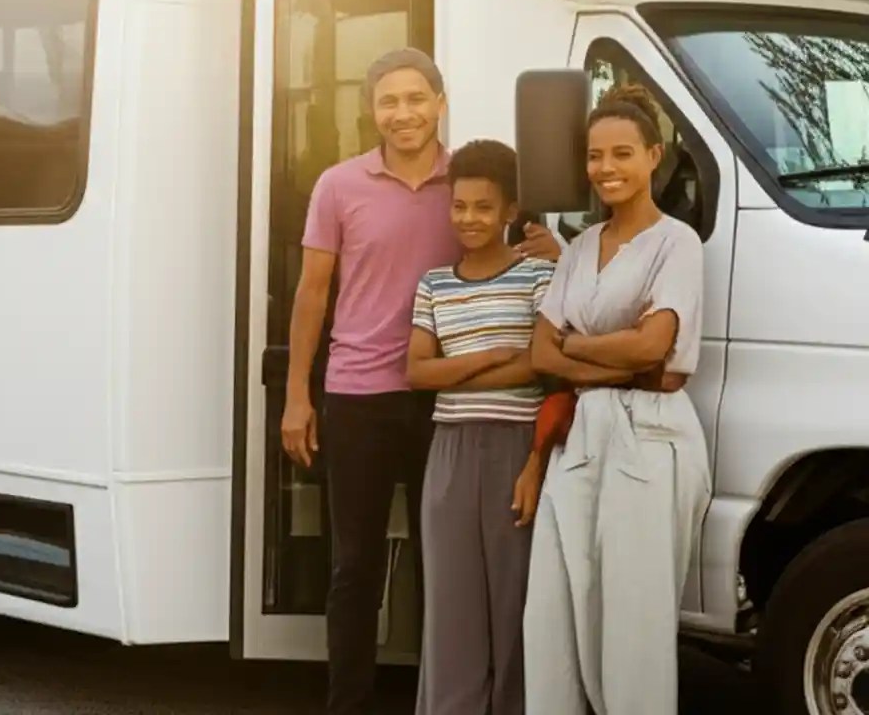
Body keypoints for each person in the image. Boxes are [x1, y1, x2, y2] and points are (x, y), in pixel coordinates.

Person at [522, 83, 712, 715]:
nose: (606, 168)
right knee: (553, 615)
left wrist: (582, 349)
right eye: (595, 155)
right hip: (578, 440)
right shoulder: (577, 249)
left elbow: (654, 348)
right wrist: (614, 357)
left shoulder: (676, 243)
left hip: (649, 438)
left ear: (654, 156)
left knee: (633, 626)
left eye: (622, 153)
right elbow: (541, 355)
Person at [279, 47, 452, 715]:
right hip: (356, 396)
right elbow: (312, 294)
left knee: (445, 564)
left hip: (444, 396)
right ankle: (347, 704)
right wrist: (299, 395)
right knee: (354, 568)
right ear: (371, 109)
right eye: (388, 101)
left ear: (439, 103)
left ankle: (443, 700)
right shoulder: (338, 186)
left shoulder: (471, 183)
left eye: (415, 99)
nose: (402, 114)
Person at [406, 139, 556, 715]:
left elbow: (539, 363)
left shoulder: (536, 277)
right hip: (448, 454)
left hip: (515, 448)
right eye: (460, 206)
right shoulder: (434, 284)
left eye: (484, 207)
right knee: (452, 607)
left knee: (515, 602)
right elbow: (416, 372)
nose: (469, 219)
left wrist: (452, 372)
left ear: (510, 211)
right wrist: (488, 356)